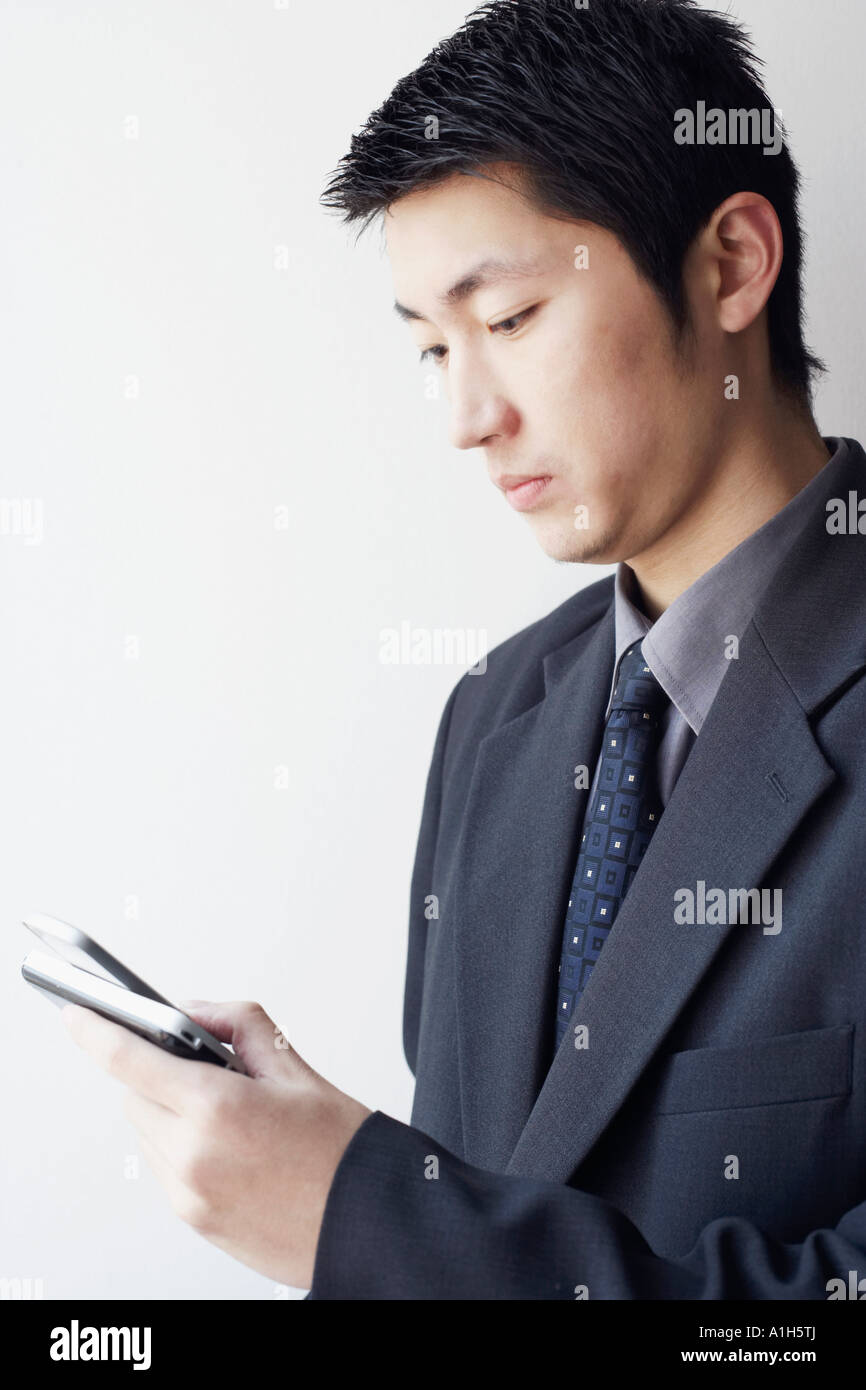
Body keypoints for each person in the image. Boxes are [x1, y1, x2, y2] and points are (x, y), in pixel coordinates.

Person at [63, 0, 866, 1299]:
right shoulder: (494, 714)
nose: (463, 415)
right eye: (430, 347)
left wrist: (361, 1221)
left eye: (506, 319)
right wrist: (346, 1159)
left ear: (727, 265)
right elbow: (499, 1195)